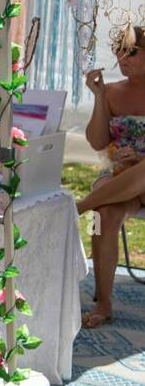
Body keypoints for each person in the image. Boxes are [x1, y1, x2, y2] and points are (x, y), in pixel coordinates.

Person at [77, 24, 145, 328]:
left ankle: (78, 207)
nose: (122, 58)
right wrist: (99, 96)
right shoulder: (113, 92)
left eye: (132, 52)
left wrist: (139, 158)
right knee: (103, 215)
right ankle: (103, 303)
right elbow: (98, 142)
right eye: (119, 51)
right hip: (119, 179)